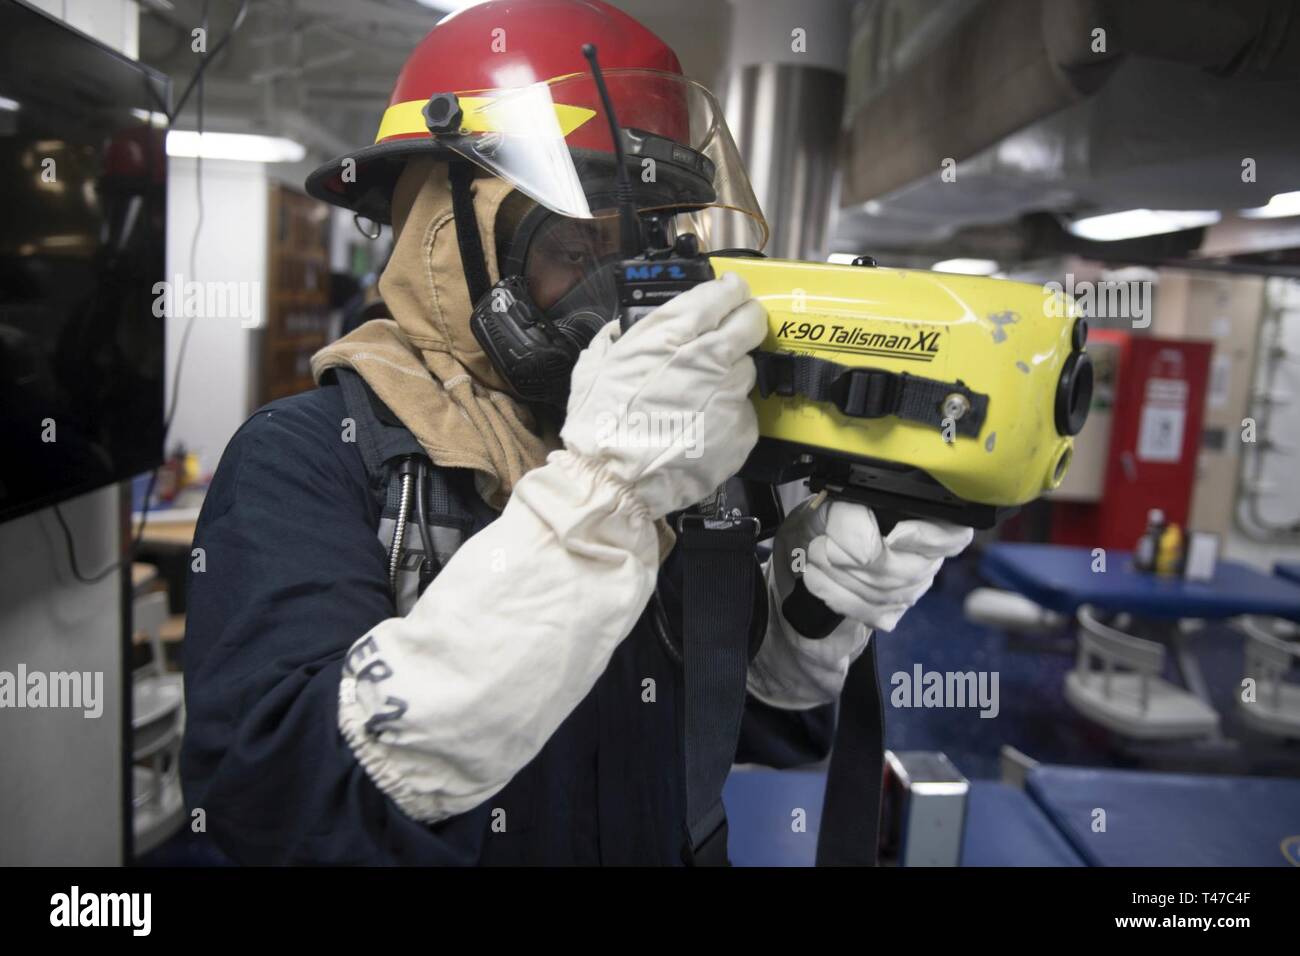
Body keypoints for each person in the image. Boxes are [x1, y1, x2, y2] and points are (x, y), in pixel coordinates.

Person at [180, 0, 971, 866]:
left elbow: (745, 734)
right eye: (572, 249)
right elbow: (281, 800)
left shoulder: (687, 447)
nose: (619, 296)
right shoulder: (306, 458)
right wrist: (603, 492)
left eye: (645, 251)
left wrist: (810, 609)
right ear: (445, 247)